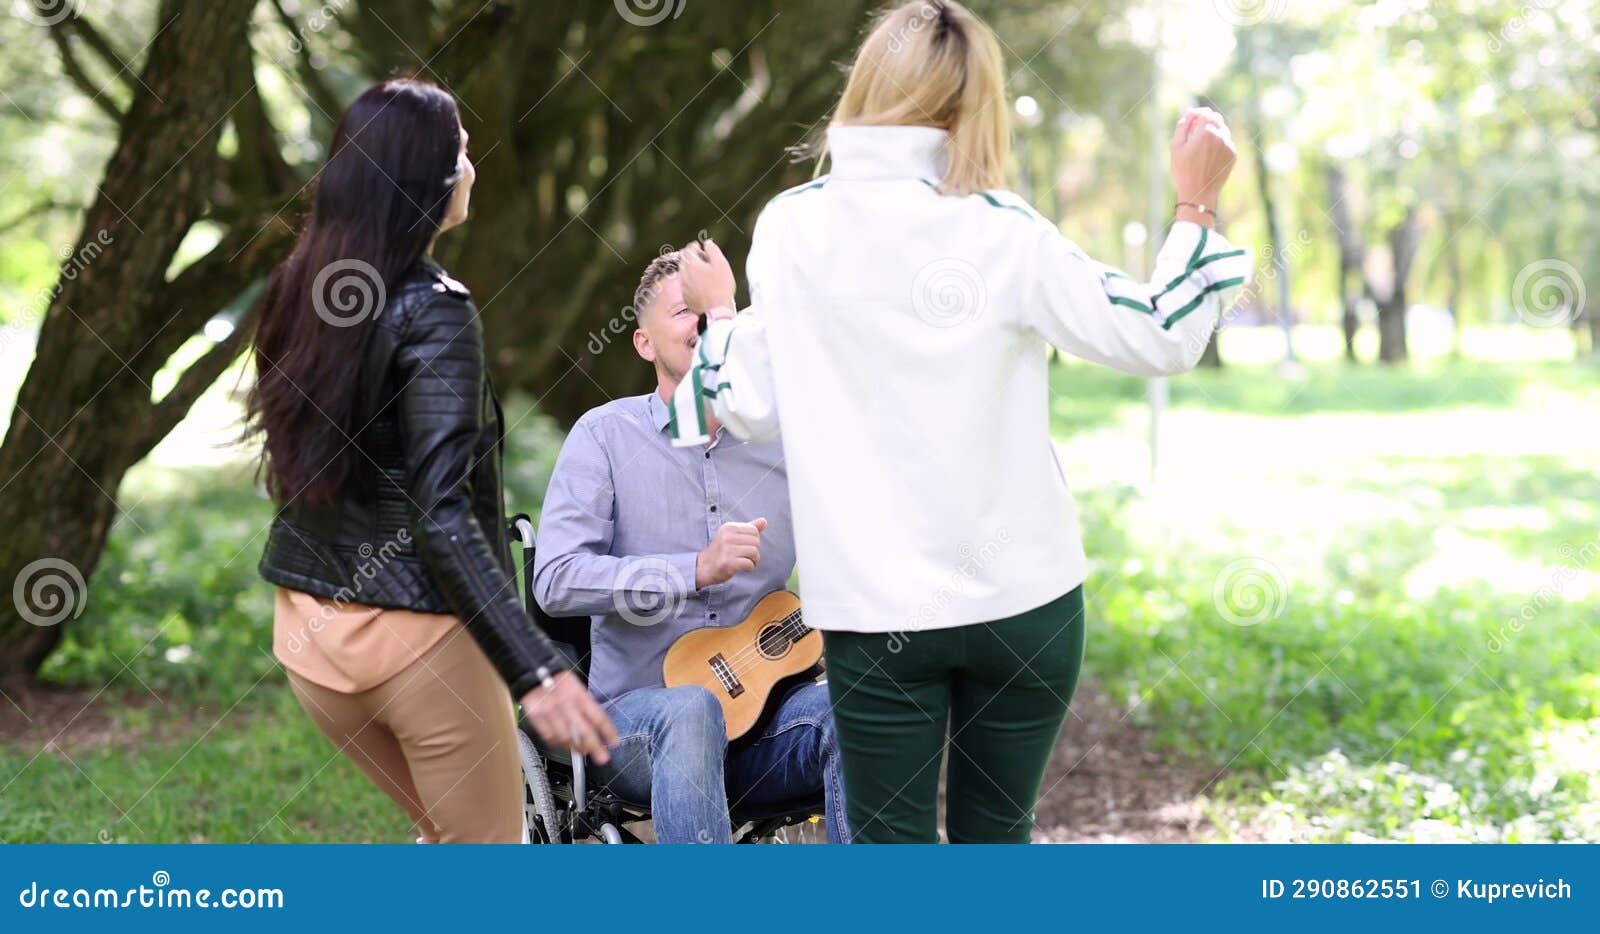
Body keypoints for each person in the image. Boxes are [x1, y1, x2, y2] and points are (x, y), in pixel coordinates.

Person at [667, 0, 1250, 842]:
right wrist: (1195, 204)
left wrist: (721, 318)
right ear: (974, 105)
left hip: (878, 614)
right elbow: (1159, 333)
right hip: (1026, 601)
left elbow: (746, 408)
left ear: (866, 85)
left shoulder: (793, 226)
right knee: (996, 843)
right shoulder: (1005, 229)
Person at [247, 78, 615, 844]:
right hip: (422, 646)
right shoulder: (435, 309)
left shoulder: (298, 285)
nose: (473, 169)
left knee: (444, 842)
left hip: (312, 640)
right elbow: (442, 514)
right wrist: (538, 669)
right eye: (463, 153)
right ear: (428, 180)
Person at [532, 251, 849, 843]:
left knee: (854, 708)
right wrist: (693, 570)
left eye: (711, 309)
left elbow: (847, 550)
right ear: (644, 343)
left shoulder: (785, 445)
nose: (703, 323)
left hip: (762, 729)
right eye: (684, 311)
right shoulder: (603, 437)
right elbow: (555, 579)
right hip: (634, 725)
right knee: (690, 708)